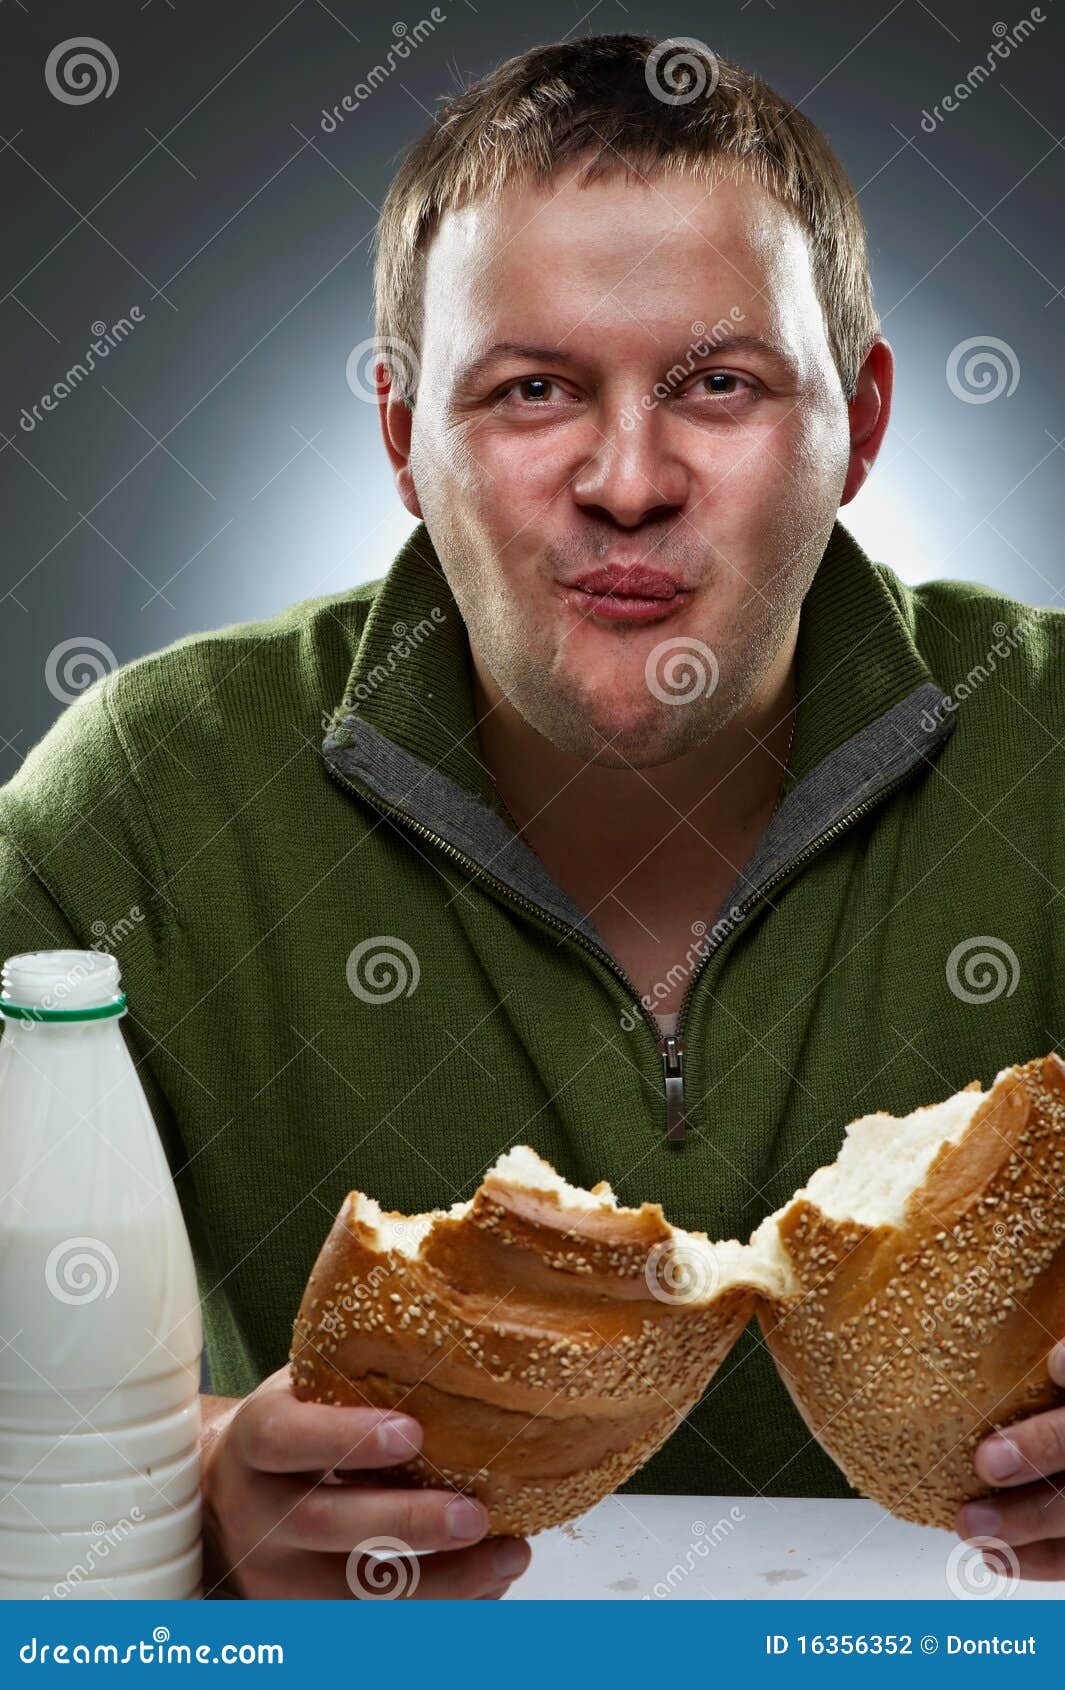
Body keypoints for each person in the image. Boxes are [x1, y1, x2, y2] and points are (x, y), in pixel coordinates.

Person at [3, 33, 1064, 1599]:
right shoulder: (152, 792)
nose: (626, 479)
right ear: (398, 437)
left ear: (860, 421)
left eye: (716, 383)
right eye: (531, 389)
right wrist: (195, 1482)